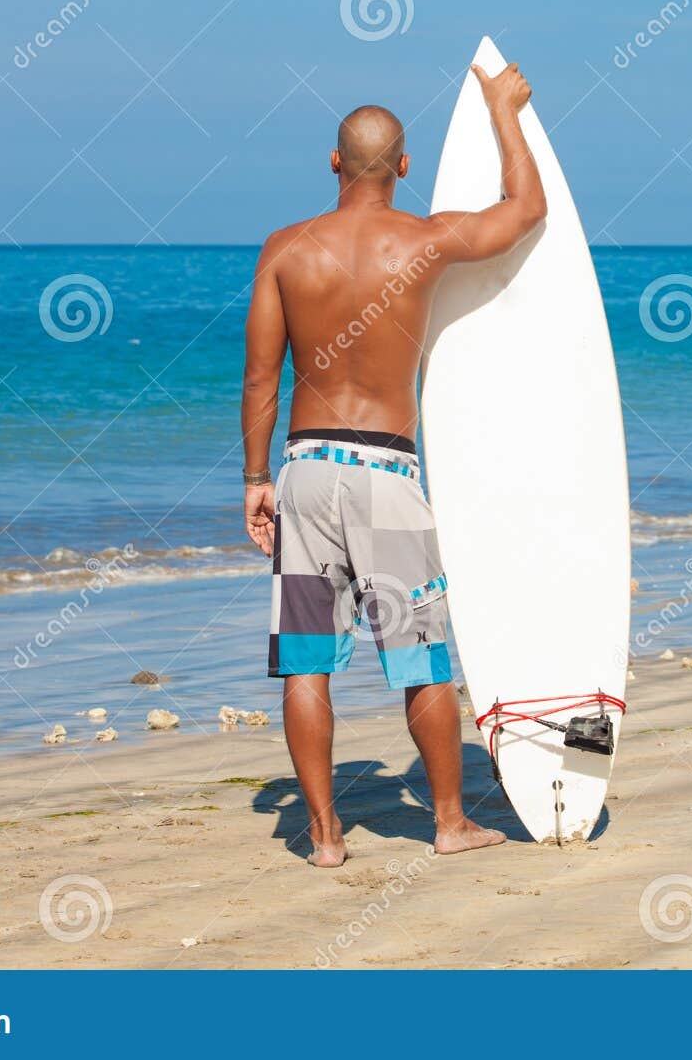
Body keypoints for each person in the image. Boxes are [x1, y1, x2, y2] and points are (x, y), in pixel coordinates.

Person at [240, 62, 547, 867]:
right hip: (385, 474)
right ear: (404, 168)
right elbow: (526, 211)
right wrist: (503, 109)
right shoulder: (423, 240)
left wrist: (254, 477)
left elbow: (259, 378)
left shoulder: (285, 249)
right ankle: (448, 821)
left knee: (306, 662)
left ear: (333, 163)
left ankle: (327, 835)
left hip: (304, 472)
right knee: (420, 658)